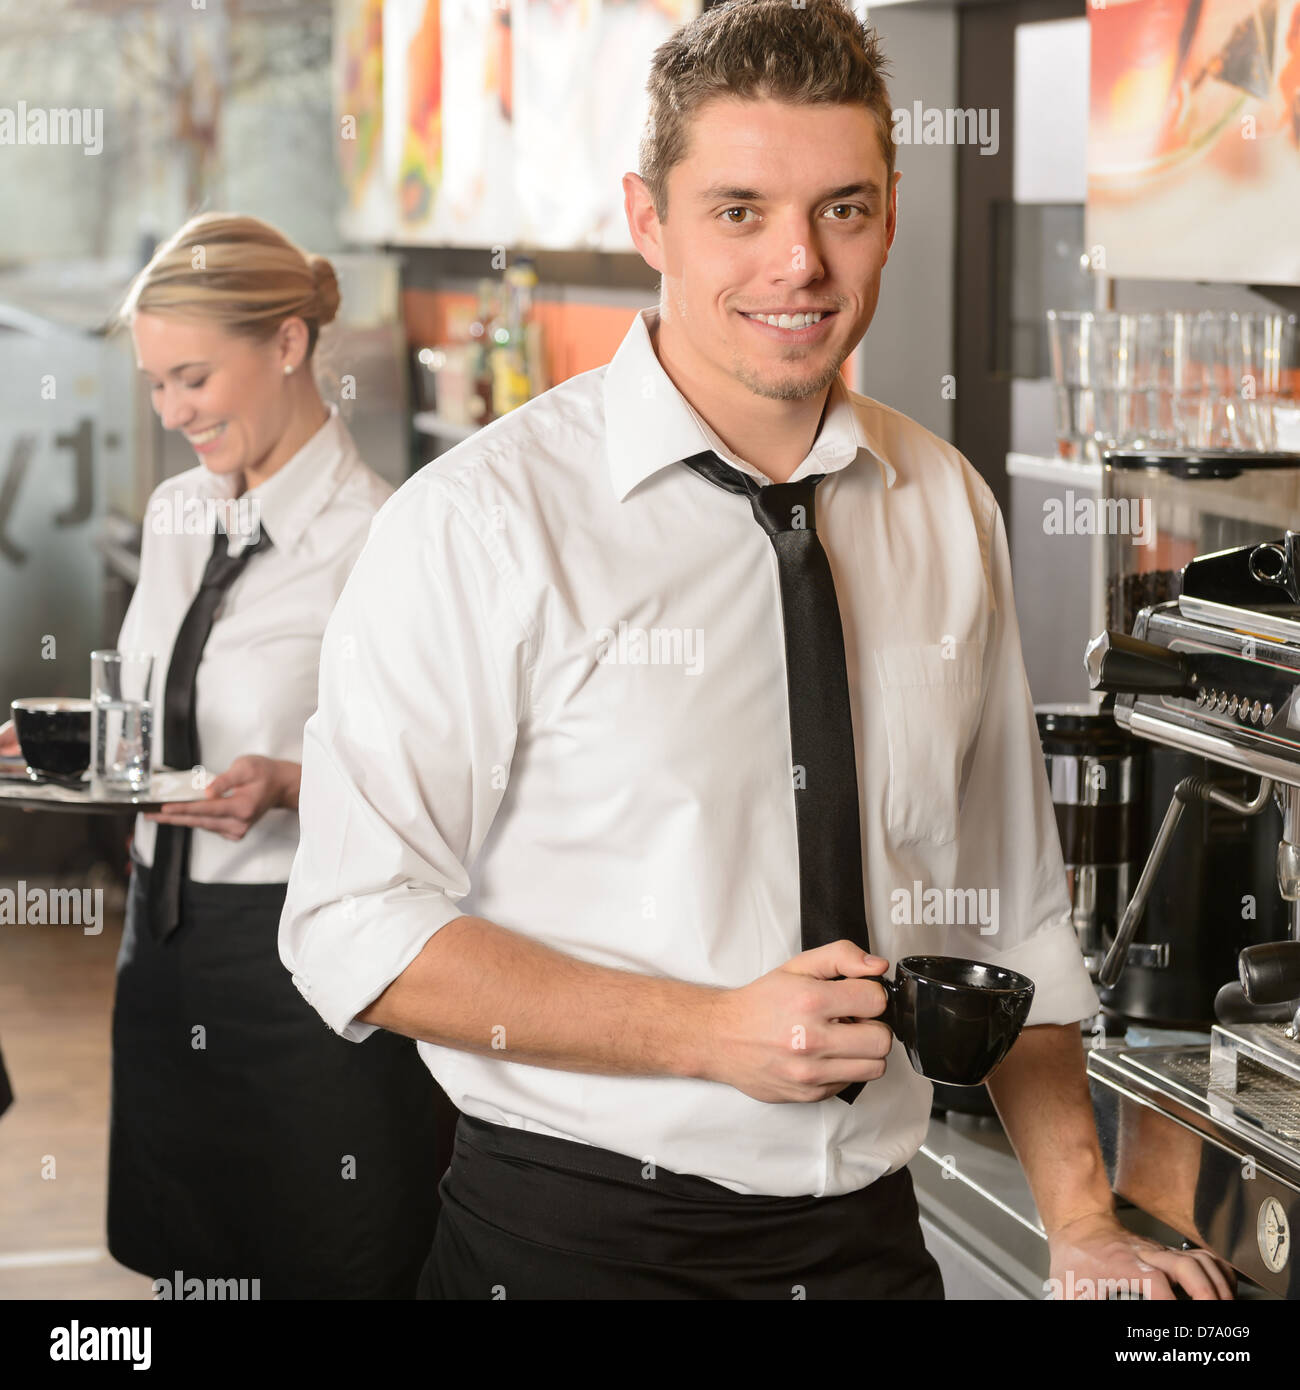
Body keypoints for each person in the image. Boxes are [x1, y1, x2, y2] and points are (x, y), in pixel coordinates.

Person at [279, 1, 1232, 1299]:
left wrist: (1083, 1225)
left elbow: (1010, 912)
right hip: (572, 1245)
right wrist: (706, 1029)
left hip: (868, 1249)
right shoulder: (479, 523)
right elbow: (351, 923)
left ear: (892, 212)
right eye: (739, 211)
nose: (799, 264)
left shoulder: (944, 501)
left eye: (842, 208)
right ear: (646, 218)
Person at [99, 213, 441, 1298]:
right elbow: (170, 708)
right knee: (186, 1268)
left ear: (288, 344)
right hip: (161, 945)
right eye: (156, 385)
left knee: (327, 1260)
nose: (173, 412)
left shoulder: (386, 539)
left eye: (192, 377)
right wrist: (80, 742)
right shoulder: (175, 513)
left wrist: (295, 784)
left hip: (305, 975)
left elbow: (446, 784)